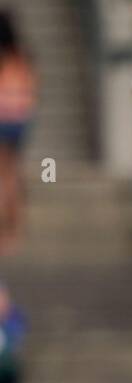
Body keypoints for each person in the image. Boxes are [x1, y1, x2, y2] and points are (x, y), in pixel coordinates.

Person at [0, 8, 36, 252]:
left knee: (4, 175)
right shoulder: (22, 55)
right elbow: (33, 85)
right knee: (13, 171)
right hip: (21, 116)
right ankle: (16, 226)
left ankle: (5, 229)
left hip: (3, 115)